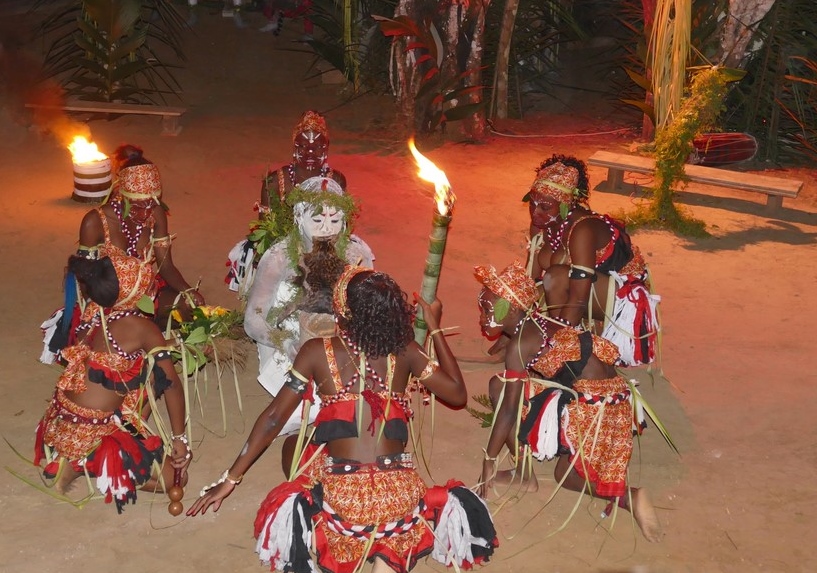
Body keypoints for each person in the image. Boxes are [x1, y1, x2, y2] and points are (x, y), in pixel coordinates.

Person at [187, 266, 497, 573]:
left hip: (346, 502)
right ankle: (384, 553)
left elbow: (273, 419)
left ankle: (351, 538)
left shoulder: (315, 351)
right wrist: (435, 328)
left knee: (295, 444)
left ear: (344, 311)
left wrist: (230, 479)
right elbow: (457, 395)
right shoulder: (406, 351)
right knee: (386, 499)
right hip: (399, 497)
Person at [474, 261, 663, 543]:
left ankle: (630, 497)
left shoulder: (520, 345)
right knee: (500, 386)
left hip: (598, 407)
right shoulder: (540, 321)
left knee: (568, 475)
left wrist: (488, 462)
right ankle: (524, 474)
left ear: (512, 310)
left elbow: (509, 412)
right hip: (601, 393)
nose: (482, 317)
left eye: (488, 309)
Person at [34, 253, 191, 513]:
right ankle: (90, 462)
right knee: (175, 480)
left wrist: (178, 344)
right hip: (93, 431)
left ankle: (76, 455)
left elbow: (129, 353)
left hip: (62, 424)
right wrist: (179, 438)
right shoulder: (141, 327)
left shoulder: (97, 312)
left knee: (148, 370)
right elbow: (172, 384)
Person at [243, 176, 374, 460]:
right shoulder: (278, 257)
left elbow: (369, 307)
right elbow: (253, 320)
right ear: (298, 217)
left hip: (342, 345)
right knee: (307, 411)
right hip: (288, 344)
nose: (327, 230)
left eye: (335, 221)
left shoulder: (356, 252)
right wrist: (287, 343)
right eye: (317, 221)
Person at [524, 154, 660, 367]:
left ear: (564, 204)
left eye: (545, 206)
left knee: (556, 276)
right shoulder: (542, 223)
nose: (535, 213)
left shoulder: (583, 229)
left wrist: (553, 342)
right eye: (532, 203)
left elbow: (578, 298)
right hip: (579, 292)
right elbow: (529, 281)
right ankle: (563, 342)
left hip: (621, 301)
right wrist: (513, 328)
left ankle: (568, 353)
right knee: (521, 295)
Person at [78, 144, 205, 323]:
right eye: (137, 206)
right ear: (122, 196)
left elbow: (165, 266)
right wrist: (106, 309)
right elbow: (85, 277)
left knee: (189, 307)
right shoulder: (95, 222)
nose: (145, 214)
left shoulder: (157, 214)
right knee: (128, 335)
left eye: (150, 205)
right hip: (107, 298)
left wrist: (189, 291)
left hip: (146, 291)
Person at [225, 110, 346, 294]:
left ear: (326, 148)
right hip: (282, 248)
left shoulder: (335, 181)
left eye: (317, 147)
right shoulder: (274, 181)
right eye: (303, 146)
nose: (310, 152)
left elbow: (340, 226)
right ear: (294, 147)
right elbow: (264, 228)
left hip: (323, 248)